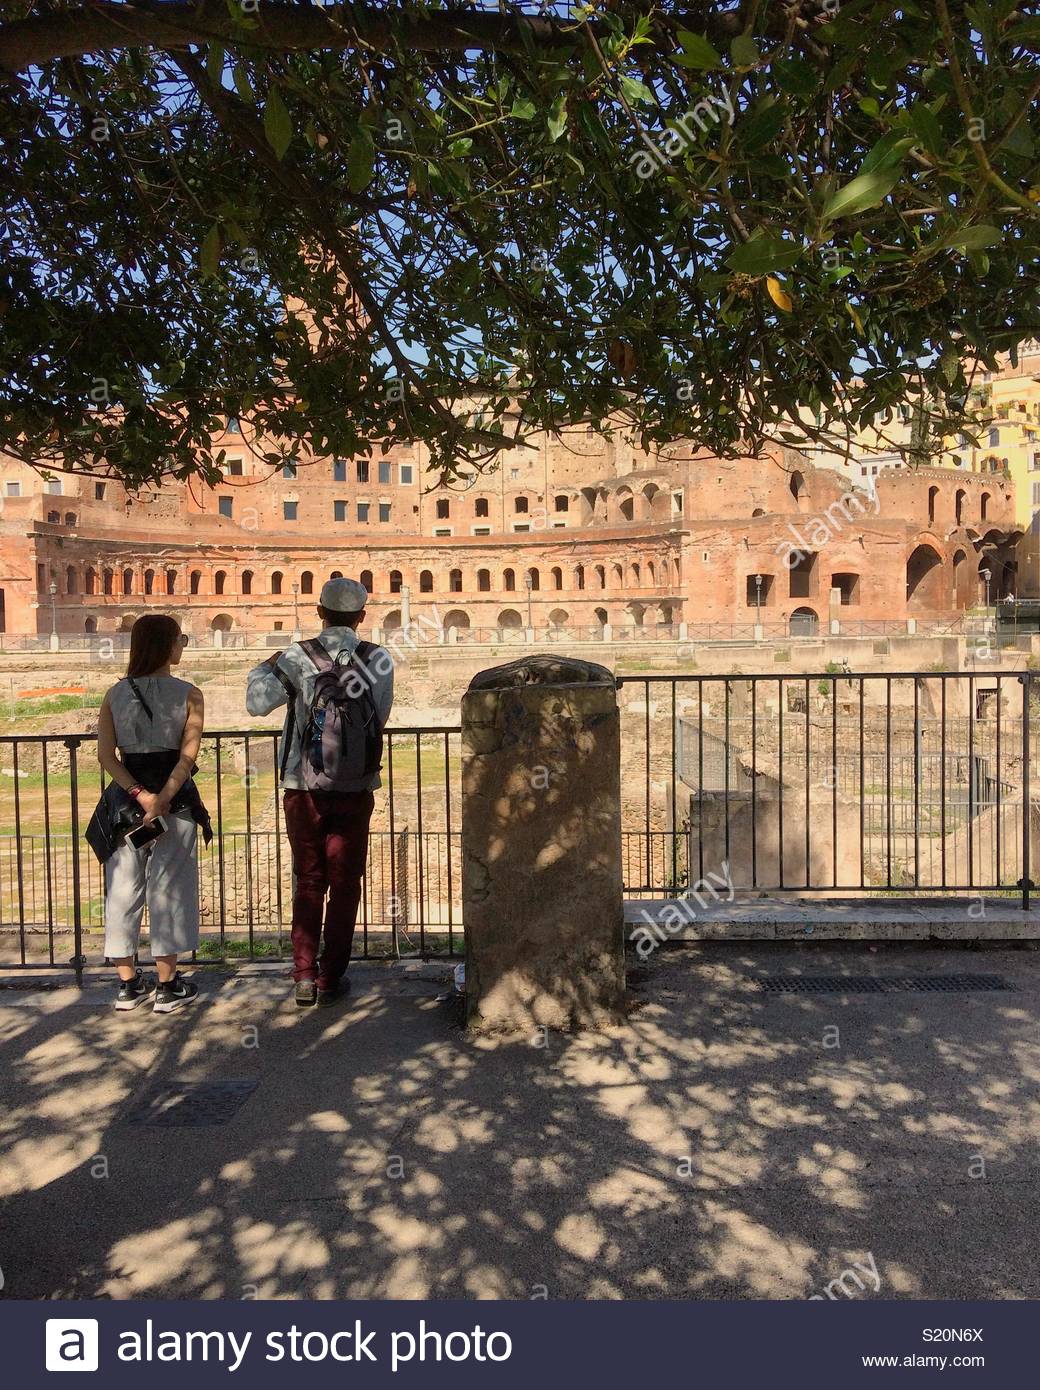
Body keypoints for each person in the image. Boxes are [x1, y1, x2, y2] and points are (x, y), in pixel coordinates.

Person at [246, 577, 393, 1007]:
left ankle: (304, 975)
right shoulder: (378, 658)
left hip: (301, 783)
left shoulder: (297, 656)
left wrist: (266, 666)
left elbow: (256, 704)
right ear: (362, 616)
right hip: (356, 783)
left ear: (319, 611)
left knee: (309, 879)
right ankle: (332, 976)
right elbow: (379, 716)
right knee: (346, 881)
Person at [95, 614, 209, 1013]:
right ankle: (167, 985)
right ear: (166, 645)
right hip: (173, 804)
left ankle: (127, 986)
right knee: (170, 887)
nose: (182, 646)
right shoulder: (190, 693)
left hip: (127, 805)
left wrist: (140, 796)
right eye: (181, 639)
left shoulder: (116, 694)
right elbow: (187, 756)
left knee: (123, 887)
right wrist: (162, 799)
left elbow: (106, 757)